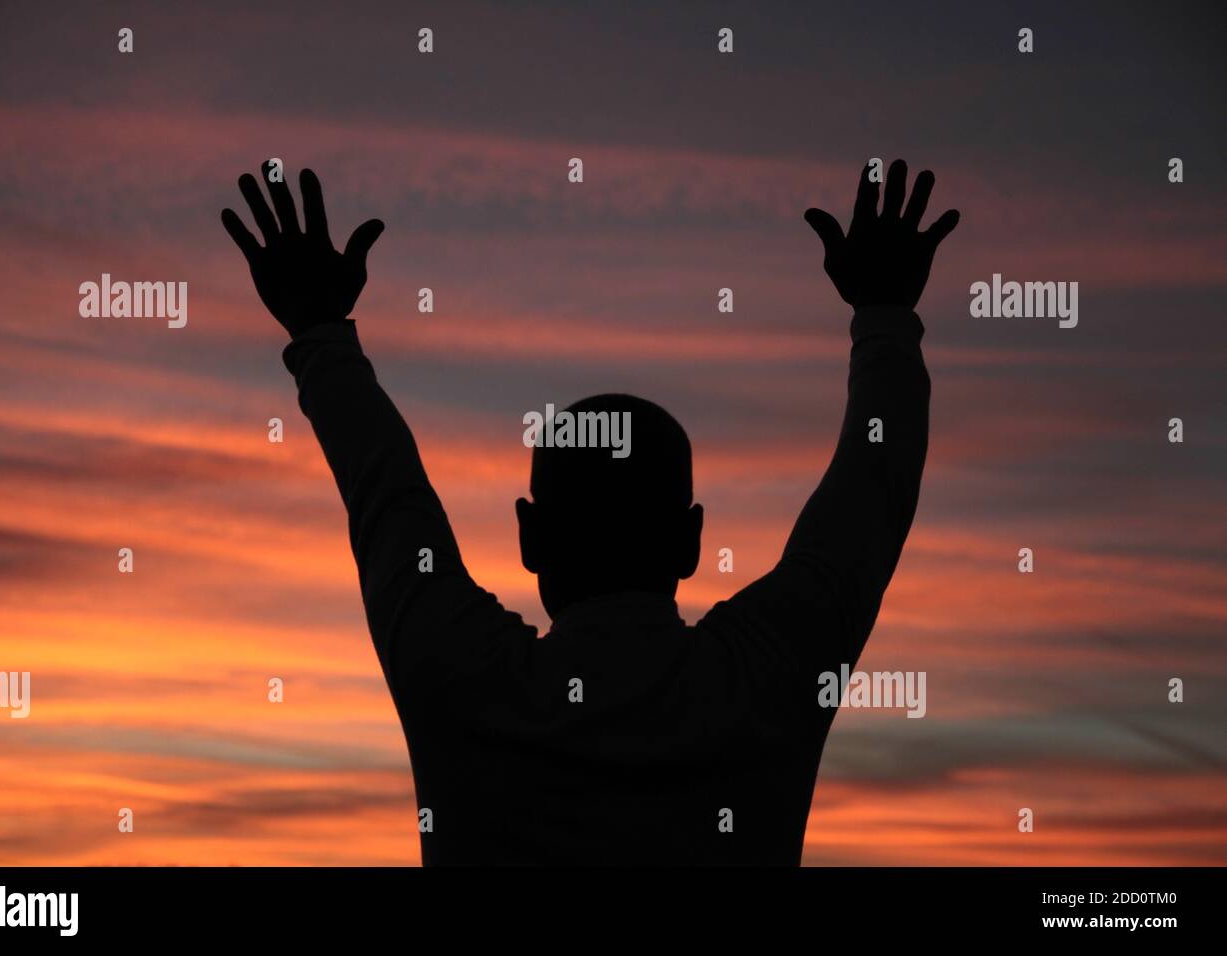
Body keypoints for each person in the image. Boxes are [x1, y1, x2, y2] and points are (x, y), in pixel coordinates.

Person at [221, 159, 958, 864]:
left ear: (530, 536)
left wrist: (319, 329)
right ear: (690, 541)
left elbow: (385, 491)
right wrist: (885, 313)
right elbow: (872, 487)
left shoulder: (462, 676)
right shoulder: (765, 676)